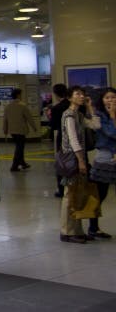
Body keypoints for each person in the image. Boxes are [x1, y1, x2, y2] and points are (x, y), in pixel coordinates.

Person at [58, 86, 101, 244]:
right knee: (69, 195)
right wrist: (81, 160)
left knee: (77, 194)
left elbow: (96, 125)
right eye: (78, 94)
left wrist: (90, 107)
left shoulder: (79, 114)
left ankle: (77, 230)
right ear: (70, 97)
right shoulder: (69, 115)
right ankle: (67, 231)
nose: (81, 97)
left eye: (83, 94)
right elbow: (73, 139)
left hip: (77, 157)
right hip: (72, 158)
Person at [87, 87, 116, 239]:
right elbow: (112, 133)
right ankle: (93, 228)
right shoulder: (99, 115)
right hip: (105, 159)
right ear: (102, 100)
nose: (111, 100)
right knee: (99, 195)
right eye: (107, 98)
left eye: (113, 97)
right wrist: (112, 115)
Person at [3, 88, 38, 171]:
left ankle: (22, 163)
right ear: (18, 95)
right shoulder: (22, 105)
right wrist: (34, 127)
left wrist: (5, 129)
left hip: (12, 131)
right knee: (19, 147)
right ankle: (14, 165)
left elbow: (5, 119)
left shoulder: (7, 106)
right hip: (21, 130)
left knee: (19, 146)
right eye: (21, 94)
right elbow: (29, 118)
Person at [50, 84, 71, 197]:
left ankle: (61, 189)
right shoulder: (74, 106)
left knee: (61, 164)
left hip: (62, 138)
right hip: (77, 137)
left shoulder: (56, 108)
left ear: (56, 94)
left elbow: (53, 125)